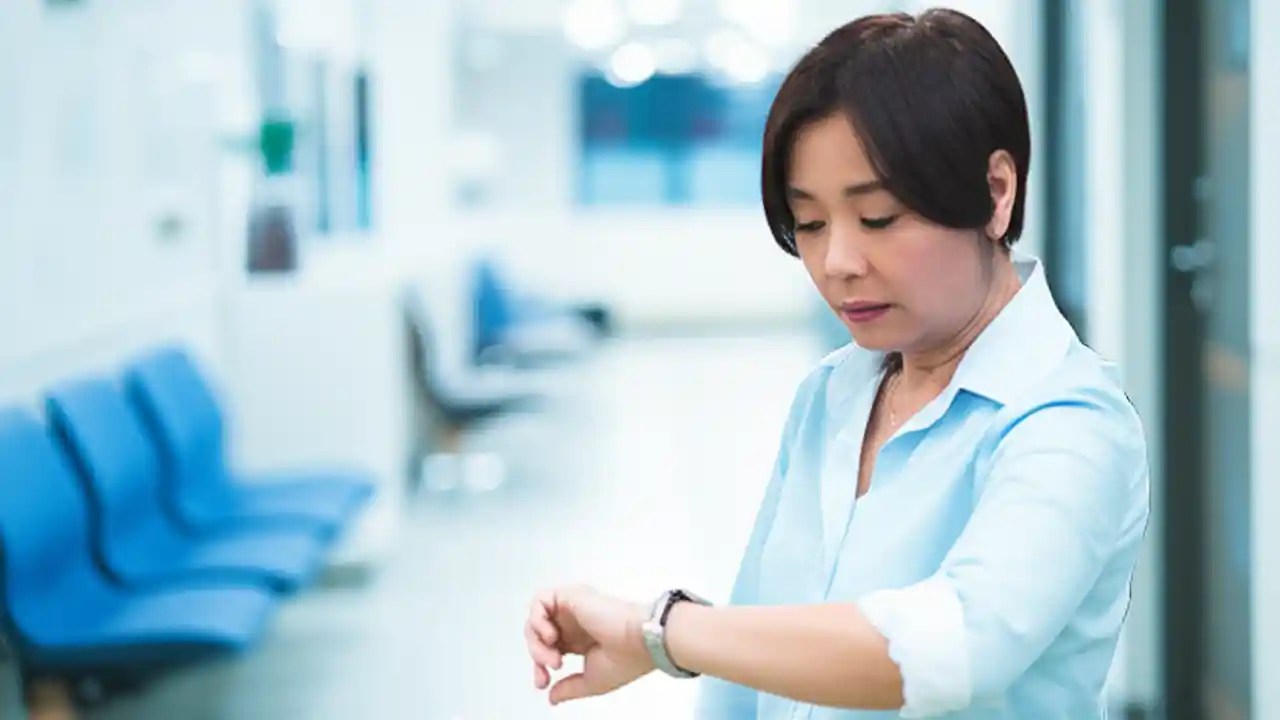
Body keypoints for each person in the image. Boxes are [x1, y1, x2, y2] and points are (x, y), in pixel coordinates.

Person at [523, 8, 1149, 719]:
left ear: (996, 194)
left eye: (878, 218)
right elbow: (753, 657)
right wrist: (669, 642)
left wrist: (664, 630)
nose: (837, 263)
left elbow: (949, 649)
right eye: (810, 224)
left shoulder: (1069, 425)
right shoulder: (832, 394)